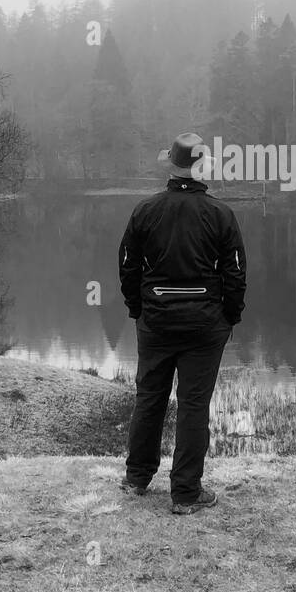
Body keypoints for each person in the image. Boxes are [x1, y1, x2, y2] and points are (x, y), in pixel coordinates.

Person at [118, 133, 247, 514]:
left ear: (171, 167)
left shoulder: (145, 210)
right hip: (205, 325)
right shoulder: (221, 214)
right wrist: (231, 315)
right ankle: (186, 494)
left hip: (155, 320)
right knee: (193, 406)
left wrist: (137, 308)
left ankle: (137, 478)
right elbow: (236, 273)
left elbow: (127, 264)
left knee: (150, 398)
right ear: (201, 167)